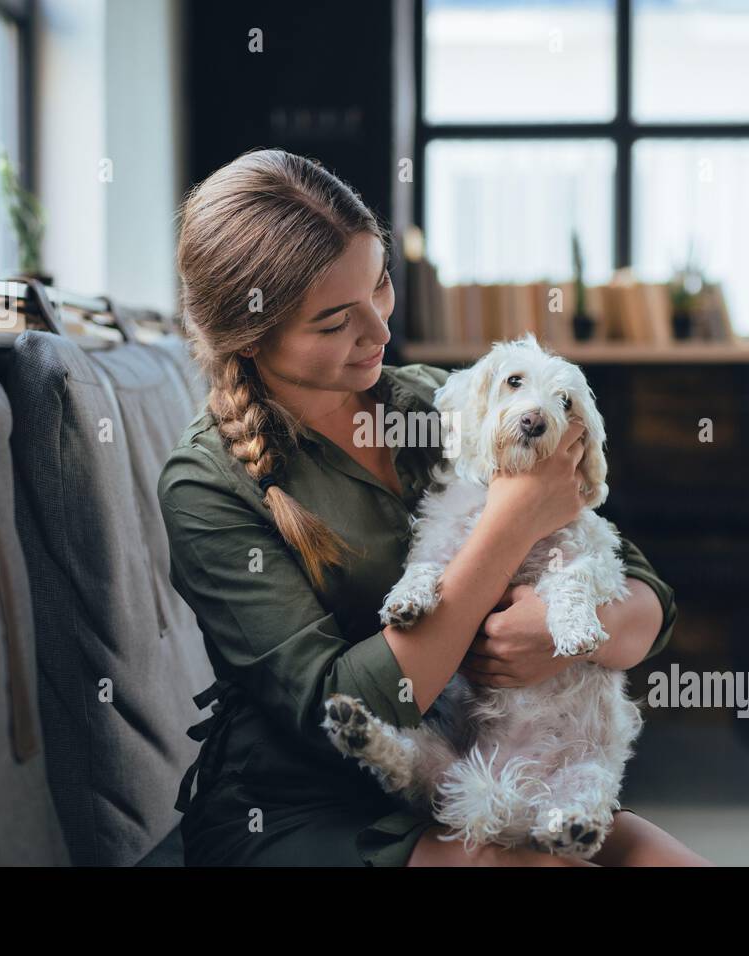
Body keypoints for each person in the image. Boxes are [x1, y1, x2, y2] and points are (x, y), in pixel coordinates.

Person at [158, 147, 711, 867]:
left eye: (380, 286)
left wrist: (568, 632)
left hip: (494, 762)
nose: (380, 332)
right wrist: (511, 523)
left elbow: (646, 604)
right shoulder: (206, 486)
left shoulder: (439, 403)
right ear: (251, 333)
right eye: (334, 322)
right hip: (309, 808)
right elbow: (343, 711)